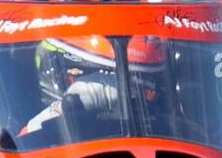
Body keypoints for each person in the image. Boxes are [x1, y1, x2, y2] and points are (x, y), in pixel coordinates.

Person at [21, 35, 166, 136]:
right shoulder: (34, 134)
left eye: (141, 82)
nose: (137, 93)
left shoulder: (167, 127)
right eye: (108, 79)